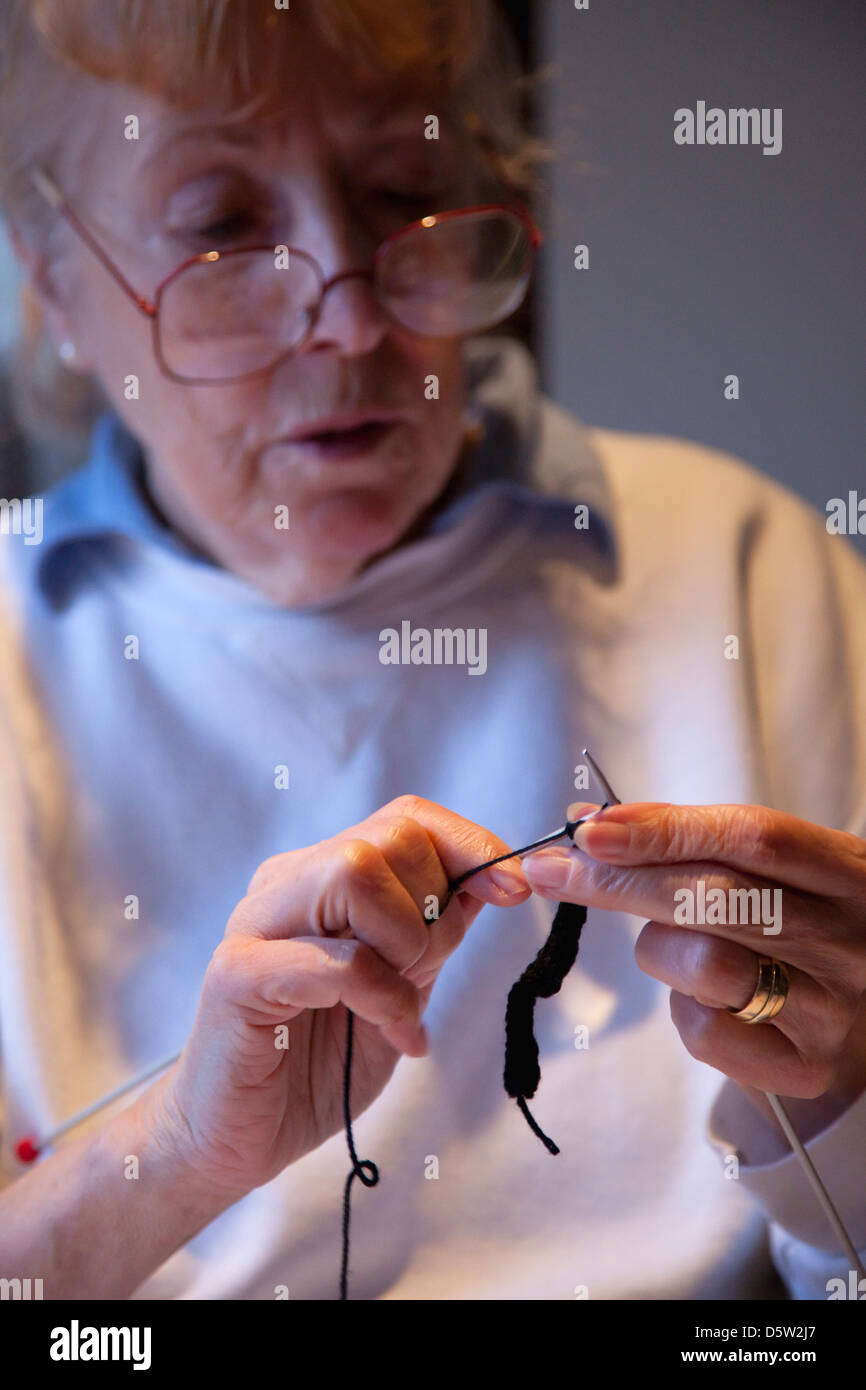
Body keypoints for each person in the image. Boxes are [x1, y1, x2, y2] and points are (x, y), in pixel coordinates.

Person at [0, 0, 864, 1303]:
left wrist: (843, 1090)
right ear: (53, 277)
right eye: (224, 226)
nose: (348, 321)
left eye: (402, 188)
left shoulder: (746, 563)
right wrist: (173, 1154)